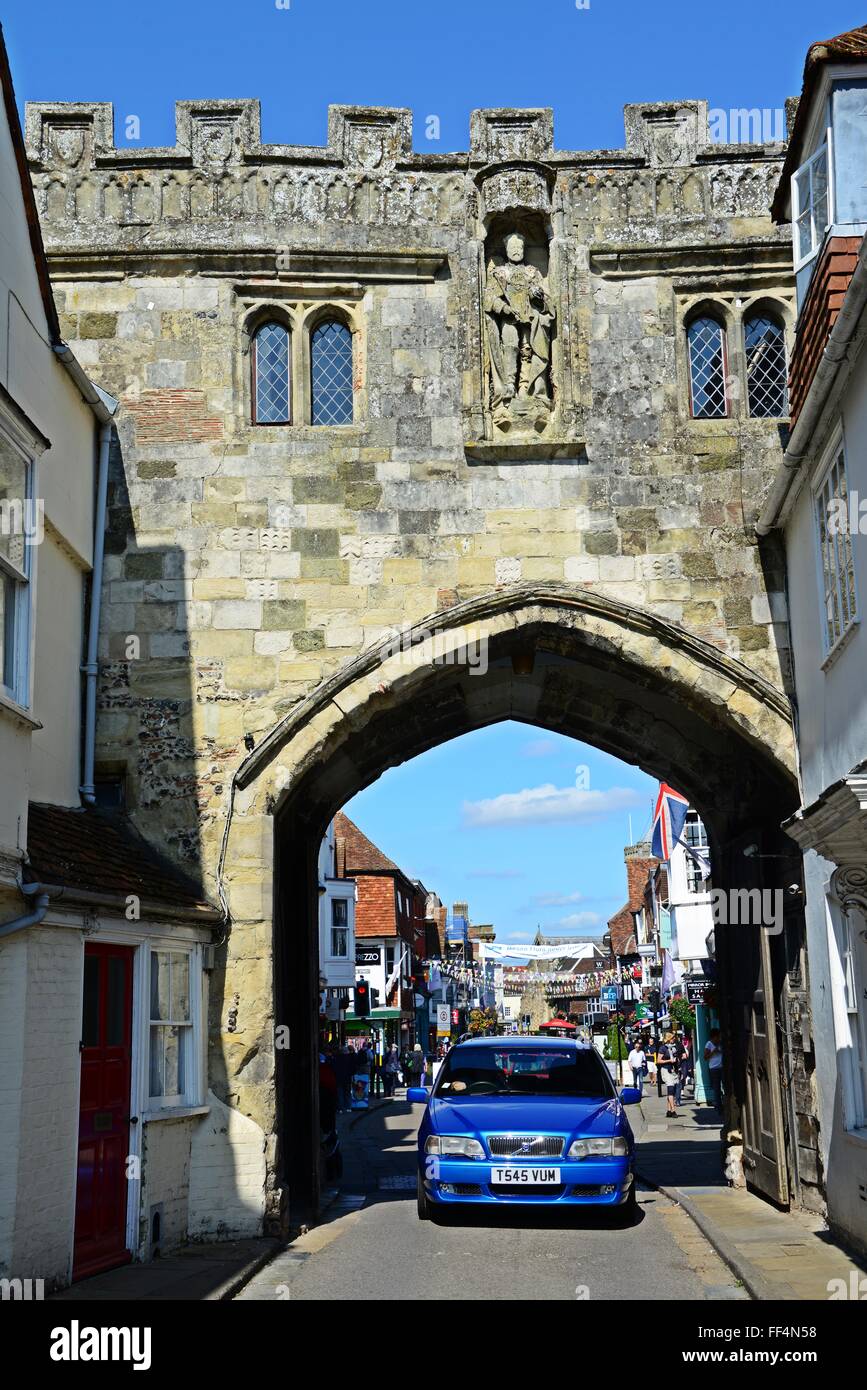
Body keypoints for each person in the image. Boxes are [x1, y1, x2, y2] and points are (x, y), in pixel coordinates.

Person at [659, 1033, 679, 1116]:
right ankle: (673, 1110)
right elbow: (659, 1061)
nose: (674, 1039)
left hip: (673, 1070)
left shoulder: (674, 1048)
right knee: (670, 1090)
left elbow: (676, 1057)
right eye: (672, 1038)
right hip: (666, 1070)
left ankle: (669, 1111)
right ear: (668, 1039)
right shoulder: (663, 1048)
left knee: (673, 1090)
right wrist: (669, 1061)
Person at [705, 1028, 724, 1110]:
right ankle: (719, 1105)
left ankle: (723, 1102)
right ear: (714, 1036)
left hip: (722, 1067)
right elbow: (705, 1057)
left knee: (725, 1085)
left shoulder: (721, 1043)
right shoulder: (709, 1044)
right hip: (714, 1068)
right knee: (716, 1088)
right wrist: (713, 1052)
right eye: (718, 1036)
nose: (719, 1038)